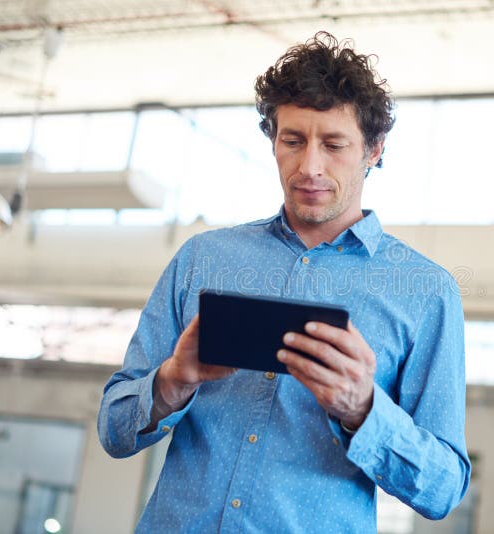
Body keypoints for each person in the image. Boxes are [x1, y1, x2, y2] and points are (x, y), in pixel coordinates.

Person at [98, 31, 470, 533]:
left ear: (374, 149)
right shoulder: (202, 260)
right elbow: (114, 431)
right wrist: (172, 380)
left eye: (334, 145)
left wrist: (364, 411)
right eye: (292, 141)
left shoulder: (425, 292)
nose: (310, 167)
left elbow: (443, 489)